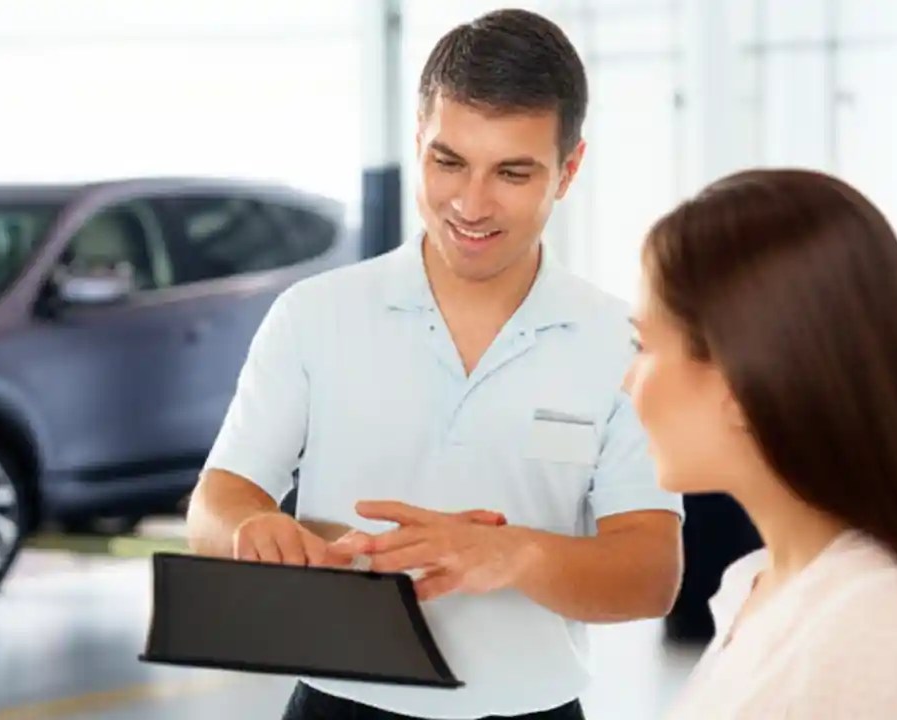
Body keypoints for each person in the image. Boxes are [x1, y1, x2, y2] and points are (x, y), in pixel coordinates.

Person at [187, 9, 684, 720]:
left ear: (568, 170)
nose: (470, 205)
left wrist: (514, 554)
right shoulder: (314, 314)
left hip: (534, 712)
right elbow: (217, 500)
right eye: (448, 161)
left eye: (512, 172)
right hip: (337, 706)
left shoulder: (619, 343)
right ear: (418, 140)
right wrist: (248, 530)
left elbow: (651, 574)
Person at [625, 168, 897, 718]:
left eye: (641, 345)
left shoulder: (873, 631)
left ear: (736, 383)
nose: (626, 383)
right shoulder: (761, 588)